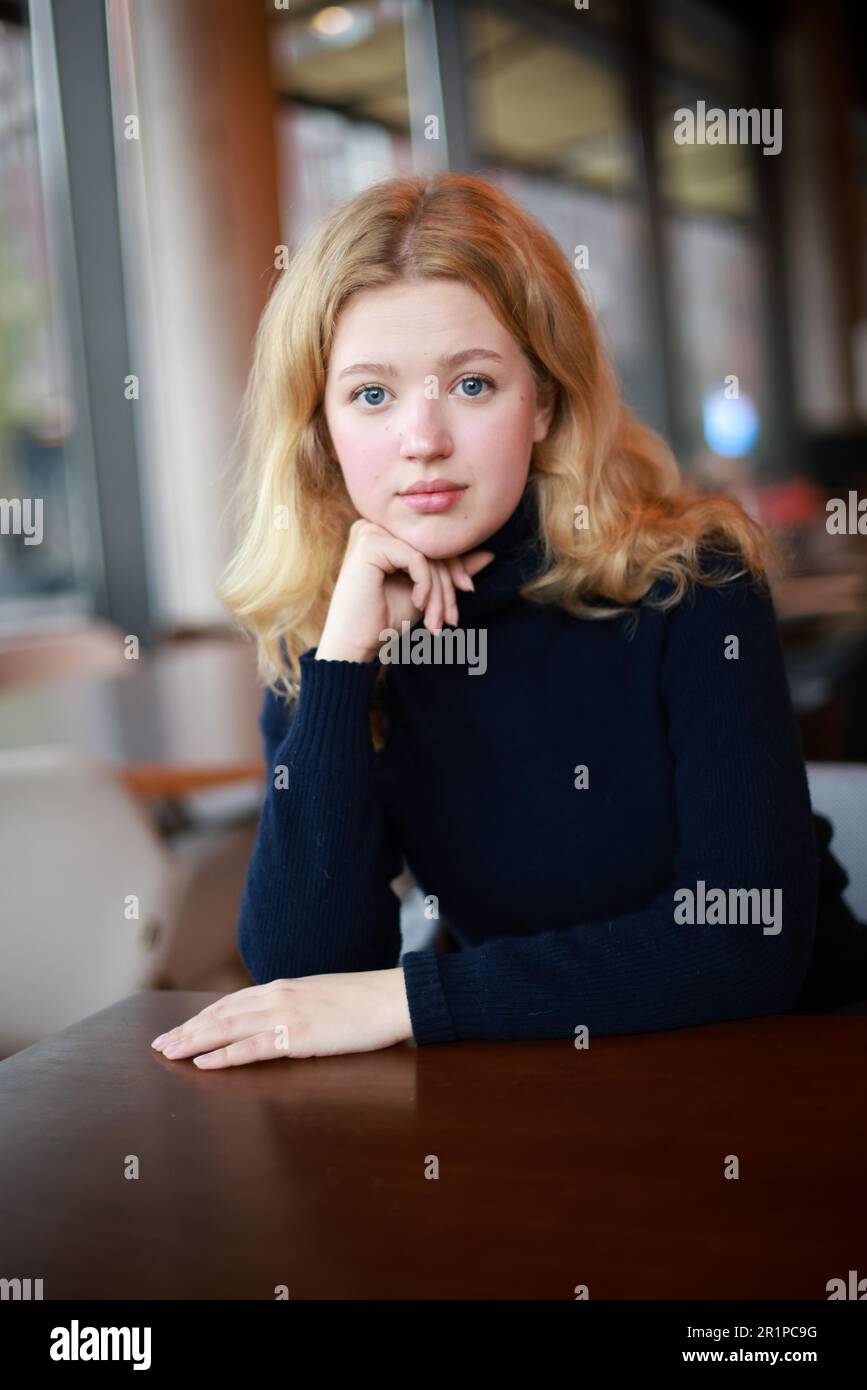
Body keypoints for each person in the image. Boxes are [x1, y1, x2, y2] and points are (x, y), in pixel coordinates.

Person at [150, 173, 867, 1070]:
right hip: (540, 1080)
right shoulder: (328, 632)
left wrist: (415, 995)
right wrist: (338, 667)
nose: (422, 439)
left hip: (789, 1067)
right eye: (370, 395)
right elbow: (305, 975)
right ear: (320, 430)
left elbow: (741, 947)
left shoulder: (692, 584)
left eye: (473, 384)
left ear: (545, 403)